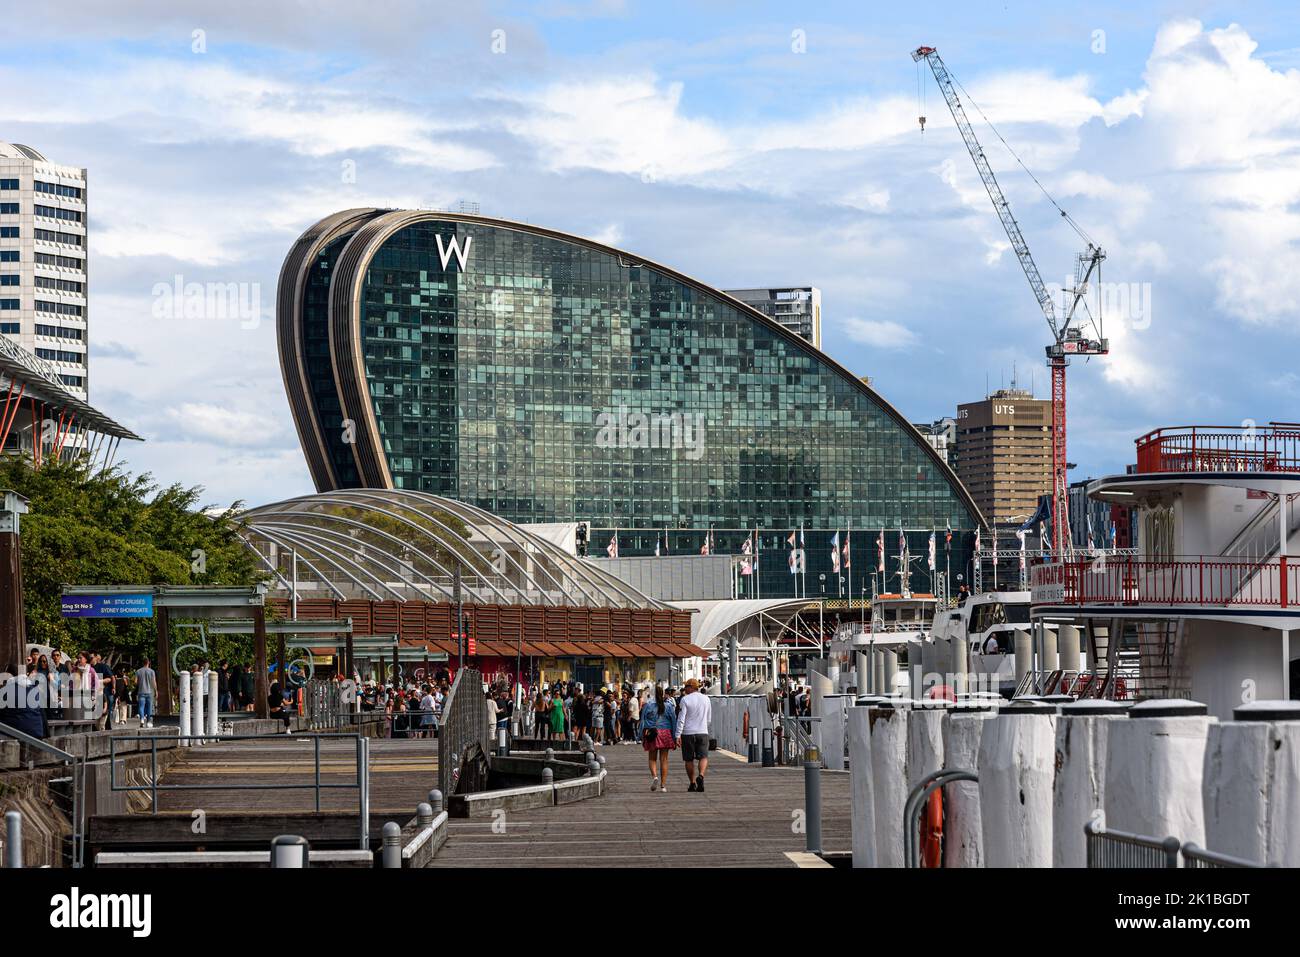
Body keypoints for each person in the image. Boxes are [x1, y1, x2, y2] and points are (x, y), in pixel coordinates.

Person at [675, 678, 713, 793]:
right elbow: (709, 718)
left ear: (691, 687)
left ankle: (692, 783)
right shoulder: (706, 699)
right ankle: (701, 776)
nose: (684, 689)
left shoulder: (685, 700)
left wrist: (678, 735)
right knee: (703, 757)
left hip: (688, 733)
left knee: (688, 759)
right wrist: (704, 727)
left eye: (686, 686)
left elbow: (681, 719)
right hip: (702, 731)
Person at [638, 684, 677, 792]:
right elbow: (674, 722)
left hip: (652, 733)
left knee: (652, 758)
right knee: (664, 760)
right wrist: (675, 737)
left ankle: (655, 777)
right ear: (663, 694)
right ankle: (663, 785)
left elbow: (643, 721)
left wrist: (641, 736)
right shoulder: (669, 706)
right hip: (665, 733)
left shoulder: (648, 705)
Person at [134, 658, 156, 728]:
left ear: (142, 663)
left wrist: (140, 683)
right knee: (149, 707)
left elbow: (135, 682)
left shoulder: (138, 671)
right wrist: (156, 690)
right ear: (148, 663)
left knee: (141, 707)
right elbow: (154, 682)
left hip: (141, 691)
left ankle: (142, 719)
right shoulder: (152, 671)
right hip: (150, 692)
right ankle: (149, 722)